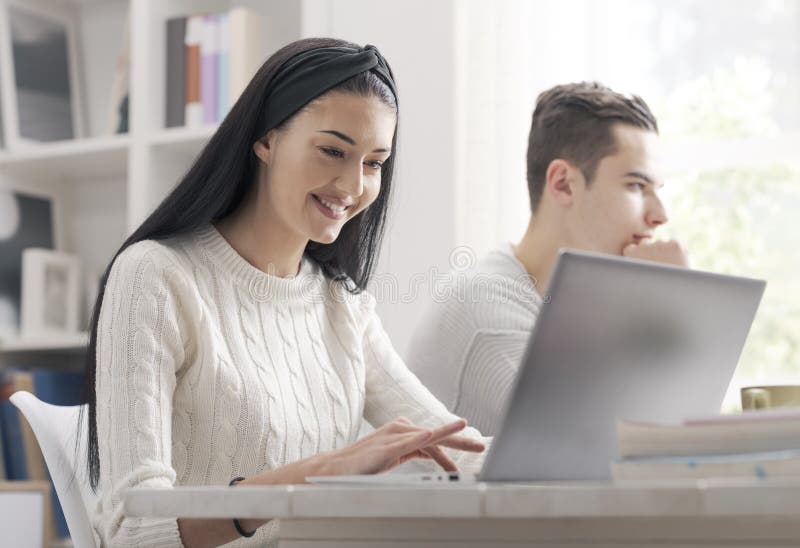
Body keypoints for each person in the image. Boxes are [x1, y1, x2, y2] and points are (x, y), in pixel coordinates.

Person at [83, 38, 486, 548]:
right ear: (266, 141)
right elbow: (132, 530)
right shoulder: (155, 276)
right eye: (333, 151)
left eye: (375, 163)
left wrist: (609, 447)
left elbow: (453, 448)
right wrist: (323, 472)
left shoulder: (341, 303)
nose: (352, 184)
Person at [406, 82, 689, 436]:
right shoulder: (486, 309)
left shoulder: (578, 311)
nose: (660, 214)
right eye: (635, 186)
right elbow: (604, 446)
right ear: (563, 184)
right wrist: (665, 304)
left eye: (657, 190)